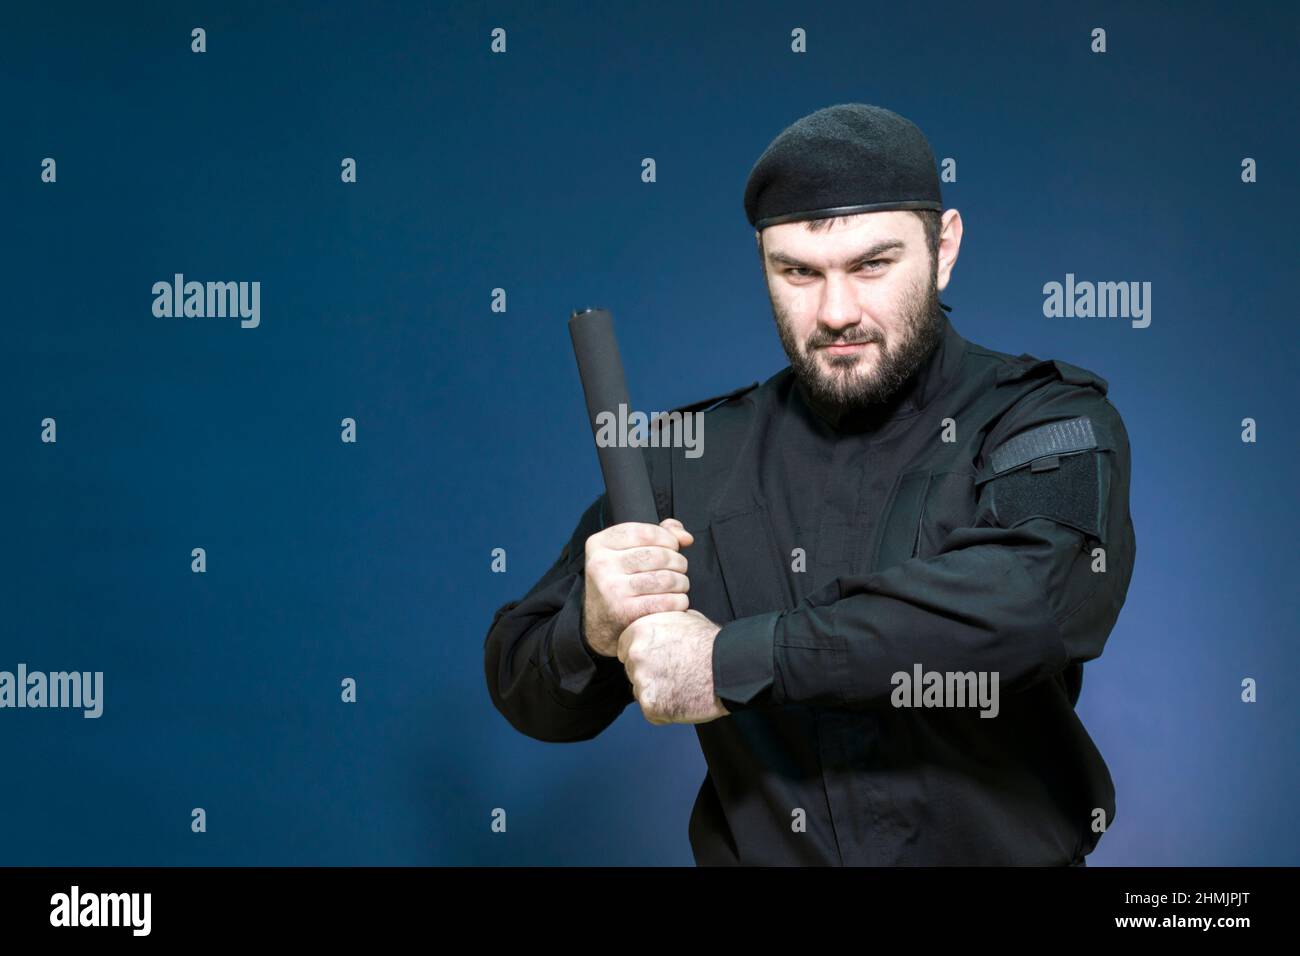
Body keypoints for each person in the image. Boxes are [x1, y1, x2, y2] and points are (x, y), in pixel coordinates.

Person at [484, 103, 1136, 865]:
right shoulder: (687, 458)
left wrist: (728, 663)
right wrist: (591, 629)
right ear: (762, 261)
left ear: (944, 246)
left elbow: (1030, 604)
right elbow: (525, 686)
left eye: (872, 264)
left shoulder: (1038, 418)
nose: (836, 312)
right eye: (798, 272)